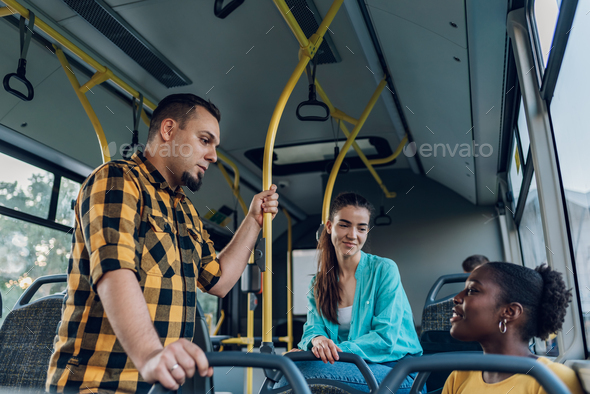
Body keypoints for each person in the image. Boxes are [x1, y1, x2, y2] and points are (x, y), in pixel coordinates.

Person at [46, 94, 279, 393]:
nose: (214, 156)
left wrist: (253, 220)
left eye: (215, 146)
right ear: (168, 130)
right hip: (99, 383)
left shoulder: (186, 212)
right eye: (205, 140)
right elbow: (114, 270)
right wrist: (151, 355)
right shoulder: (118, 180)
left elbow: (218, 281)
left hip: (158, 384)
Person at [279, 192, 423, 393]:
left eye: (361, 228)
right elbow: (313, 329)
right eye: (344, 225)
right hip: (349, 366)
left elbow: (384, 338)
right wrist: (317, 341)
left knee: (304, 371)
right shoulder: (319, 283)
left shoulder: (384, 270)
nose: (353, 235)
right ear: (329, 227)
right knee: (290, 369)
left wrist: (326, 353)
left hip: (399, 373)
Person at [443, 262, 583, 394]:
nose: (456, 298)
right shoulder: (459, 376)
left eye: (472, 290)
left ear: (510, 312)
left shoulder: (552, 378)